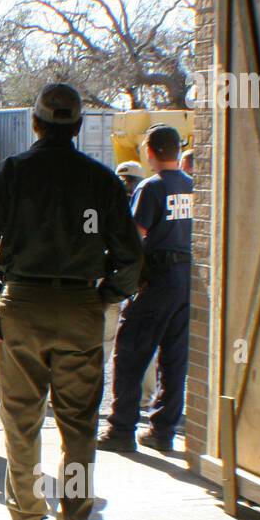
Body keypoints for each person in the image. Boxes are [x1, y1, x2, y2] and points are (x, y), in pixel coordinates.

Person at [0, 83, 142, 520]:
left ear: (36, 124)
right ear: (79, 126)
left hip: (23, 304)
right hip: (83, 305)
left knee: (21, 423)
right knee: (79, 430)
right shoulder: (103, 181)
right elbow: (130, 257)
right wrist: (103, 296)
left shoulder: (12, 174)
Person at [98, 125, 193, 454]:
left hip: (156, 279)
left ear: (150, 152)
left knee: (130, 352)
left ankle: (121, 429)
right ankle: (163, 430)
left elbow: (134, 236)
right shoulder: (192, 186)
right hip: (186, 279)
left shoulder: (152, 188)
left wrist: (116, 276)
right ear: (177, 151)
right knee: (174, 358)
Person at [105, 160, 157, 412]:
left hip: (111, 286)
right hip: (134, 287)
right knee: (143, 349)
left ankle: (88, 397)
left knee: (100, 345)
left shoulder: (108, 204)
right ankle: (146, 400)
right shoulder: (145, 203)